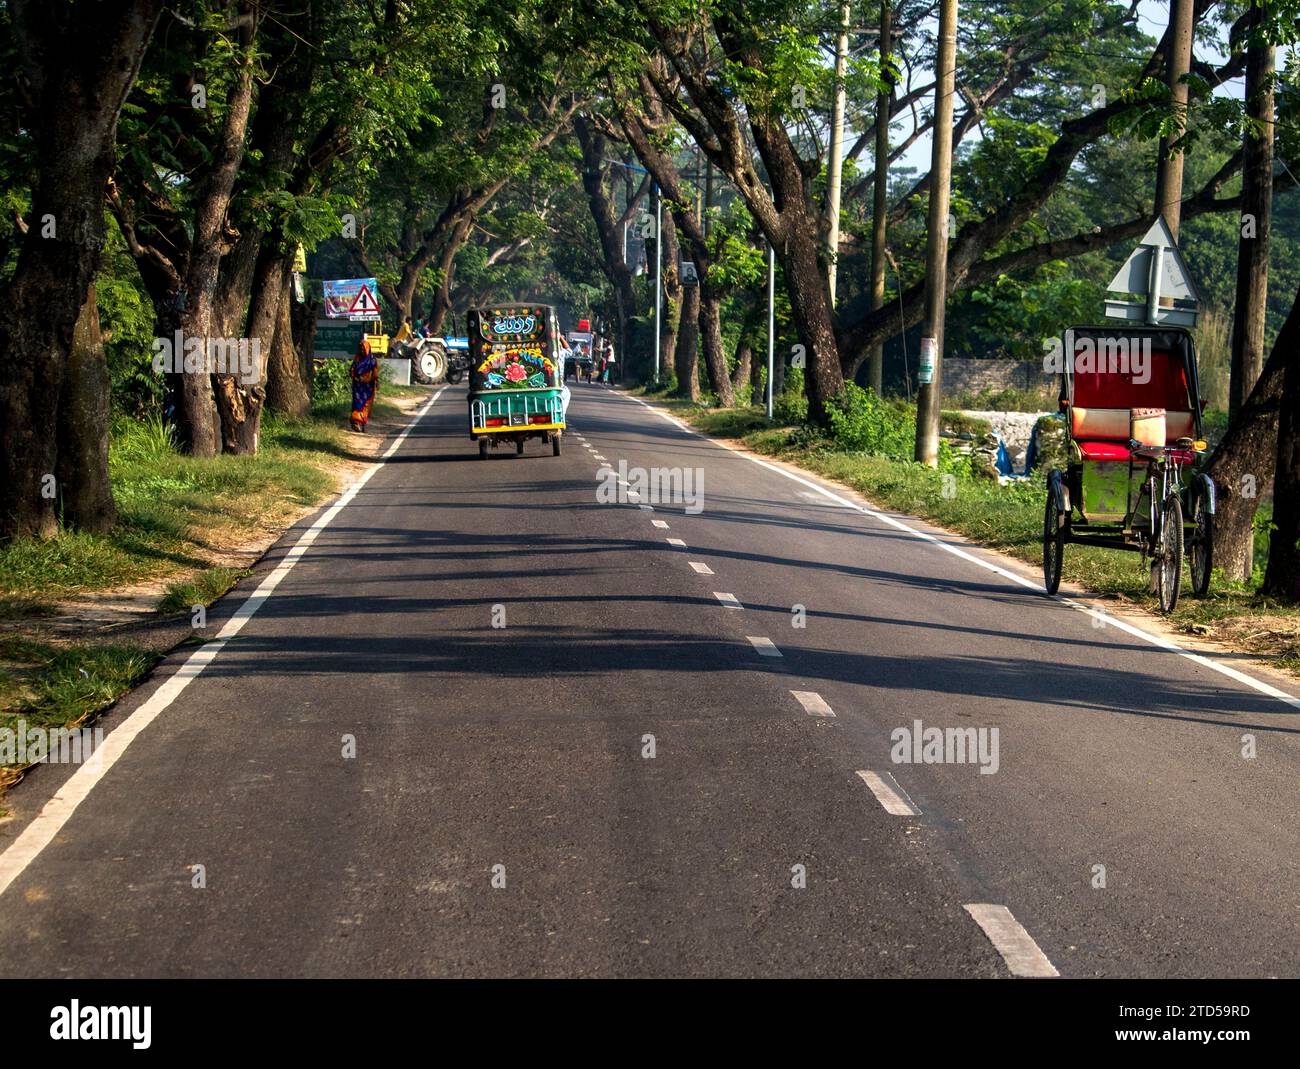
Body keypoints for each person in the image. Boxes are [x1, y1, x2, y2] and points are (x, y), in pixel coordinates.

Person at [349, 337, 379, 433]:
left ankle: (362, 425)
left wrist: (376, 382)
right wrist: (356, 378)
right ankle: (356, 422)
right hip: (358, 386)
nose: (362, 350)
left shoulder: (372, 360)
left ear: (367, 348)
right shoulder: (357, 358)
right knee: (357, 405)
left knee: (366, 406)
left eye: (363, 348)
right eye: (360, 348)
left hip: (368, 387)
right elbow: (352, 370)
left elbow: (375, 373)